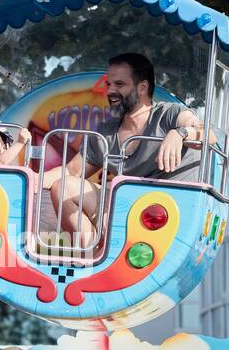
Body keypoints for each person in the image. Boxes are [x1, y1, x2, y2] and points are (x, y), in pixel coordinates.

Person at [49, 53, 204, 250]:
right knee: (64, 187)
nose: (111, 91)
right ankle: (92, 259)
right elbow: (72, 171)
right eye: (109, 85)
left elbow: (206, 134)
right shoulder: (106, 133)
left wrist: (179, 133)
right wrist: (27, 177)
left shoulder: (168, 114)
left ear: (142, 87)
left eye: (119, 85)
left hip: (167, 216)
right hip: (130, 210)